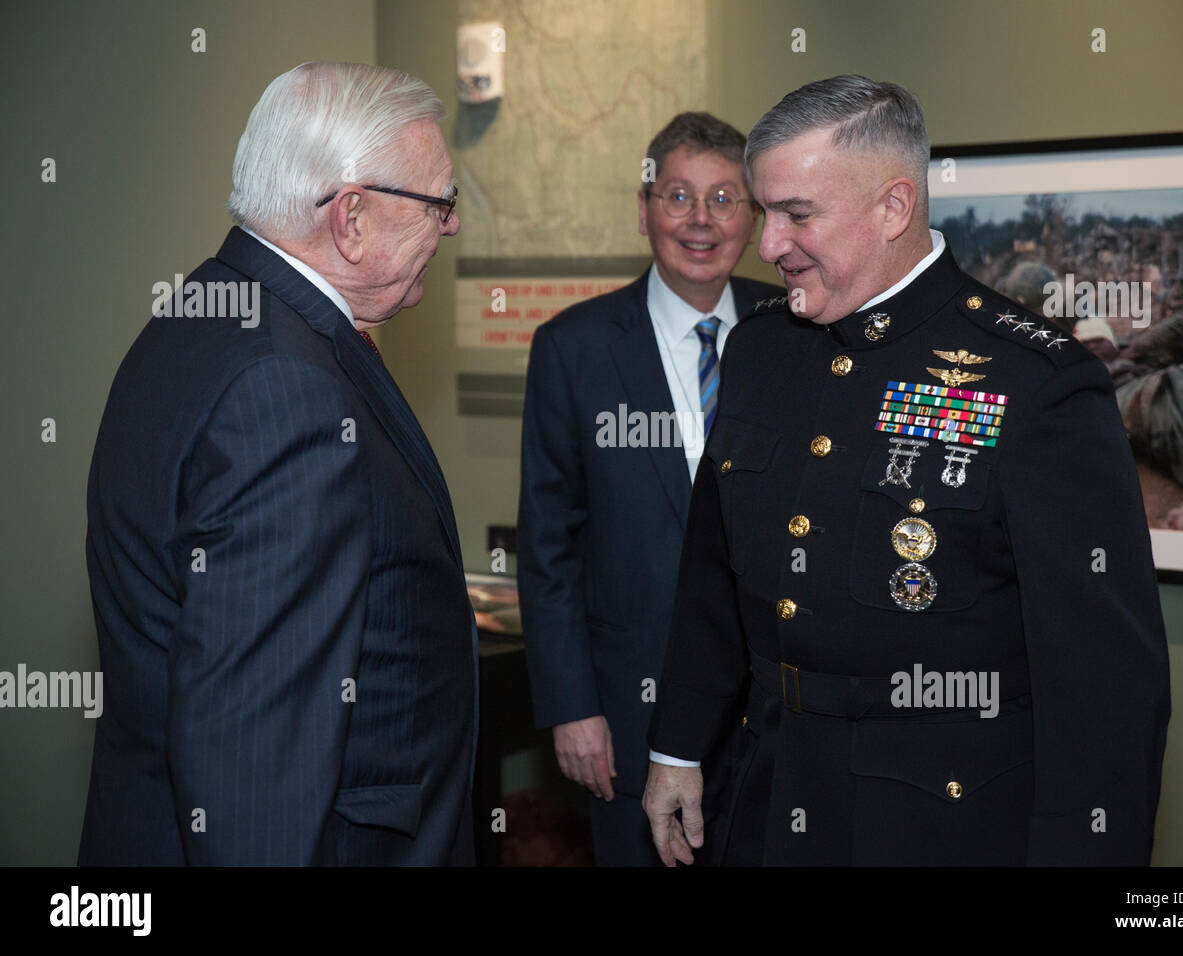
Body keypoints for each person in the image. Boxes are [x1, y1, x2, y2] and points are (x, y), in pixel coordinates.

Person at [642, 76, 1171, 866]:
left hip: (936, 824)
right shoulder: (760, 350)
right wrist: (678, 747)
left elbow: (1104, 694)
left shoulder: (1034, 382)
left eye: (797, 214)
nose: (767, 245)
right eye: (766, 210)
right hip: (768, 796)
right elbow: (712, 577)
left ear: (893, 207)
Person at [79, 62, 477, 865]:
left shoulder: (201, 312)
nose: (451, 227)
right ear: (353, 217)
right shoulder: (286, 385)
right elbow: (254, 757)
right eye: (440, 203)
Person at [518, 112, 782, 865]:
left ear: (753, 216)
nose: (701, 221)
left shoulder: (794, 329)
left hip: (772, 711)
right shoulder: (574, 349)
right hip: (633, 710)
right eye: (678, 196)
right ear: (644, 211)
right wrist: (573, 708)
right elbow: (548, 545)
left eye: (725, 198)